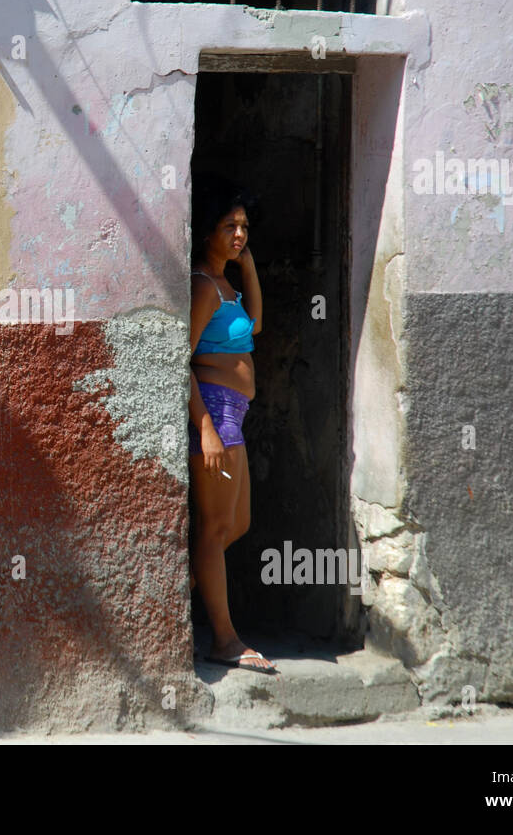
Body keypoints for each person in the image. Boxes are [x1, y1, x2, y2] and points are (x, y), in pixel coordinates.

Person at [188, 185, 277, 674]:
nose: (240, 234)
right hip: (217, 414)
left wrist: (249, 267)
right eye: (230, 226)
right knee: (215, 528)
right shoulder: (203, 286)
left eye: (244, 226)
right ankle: (225, 640)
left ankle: (179, 585)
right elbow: (181, 360)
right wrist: (205, 428)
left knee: (235, 525)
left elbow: (257, 324)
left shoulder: (227, 286)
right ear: (207, 233)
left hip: (233, 415)